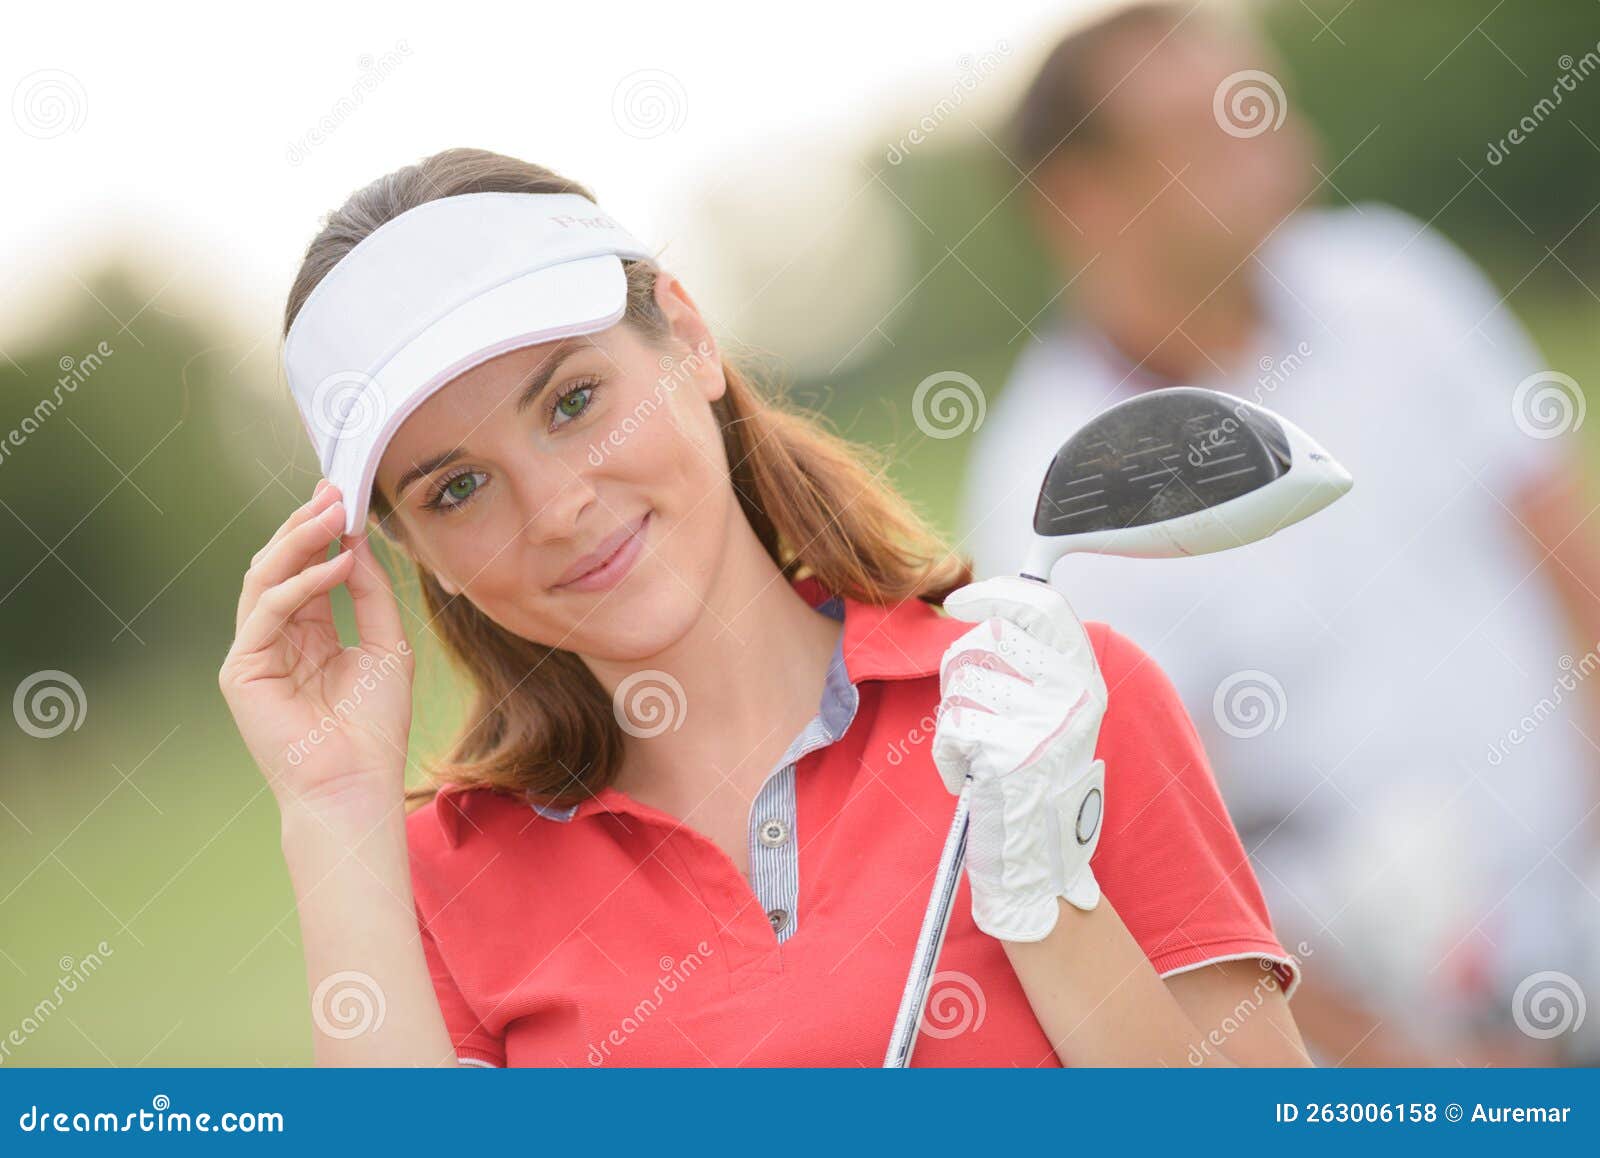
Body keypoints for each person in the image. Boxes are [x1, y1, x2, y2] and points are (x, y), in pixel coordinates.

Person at [218, 146, 1310, 1068]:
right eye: (456, 487)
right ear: (419, 557)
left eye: (573, 401)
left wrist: (1044, 892)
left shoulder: (1057, 705)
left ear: (688, 339)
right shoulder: (434, 885)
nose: (555, 507)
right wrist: (329, 809)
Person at [963, 3, 1600, 1064]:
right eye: (1211, 129)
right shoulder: (1044, 504)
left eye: (1260, 101)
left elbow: (1569, 563)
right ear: (1082, 197)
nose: (1276, 138)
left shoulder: (1398, 284)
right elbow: (1145, 869)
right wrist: (1406, 1074)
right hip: (1397, 1047)